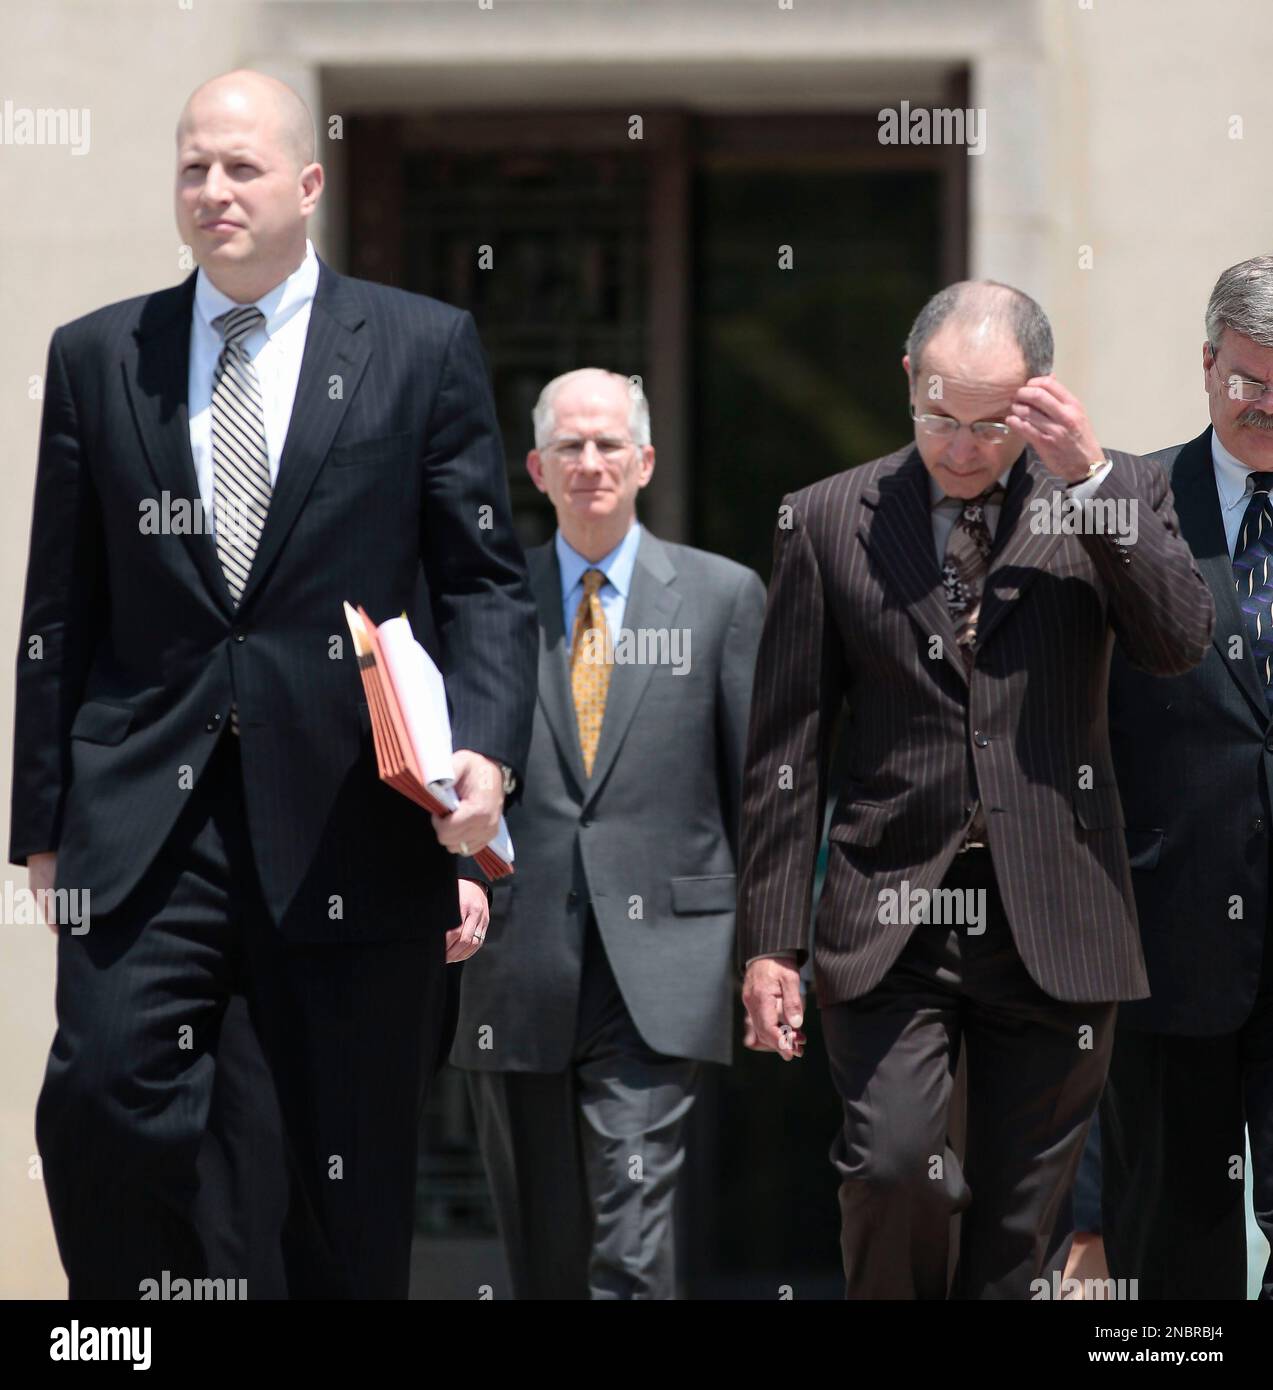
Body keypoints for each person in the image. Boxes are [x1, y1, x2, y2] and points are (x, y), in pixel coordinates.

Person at [10, 69, 536, 1299]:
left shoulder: (420, 347)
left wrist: (490, 760)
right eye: (194, 166)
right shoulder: (98, 356)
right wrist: (41, 826)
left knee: (339, 1171)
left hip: (355, 816)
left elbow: (484, 584)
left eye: (241, 167)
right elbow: (57, 608)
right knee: (103, 1100)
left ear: (308, 185)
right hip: (147, 815)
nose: (213, 190)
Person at [737, 280, 1215, 1299]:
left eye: (988, 424)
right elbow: (787, 746)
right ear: (909, 381)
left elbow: (1176, 642)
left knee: (1014, 1238)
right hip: (889, 916)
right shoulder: (826, 519)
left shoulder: (1108, 489)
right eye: (938, 418)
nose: (959, 447)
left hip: (1057, 914)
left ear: (1037, 399)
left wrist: (1085, 479)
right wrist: (769, 939)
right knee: (892, 1168)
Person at [451, 368, 766, 1298]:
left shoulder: (721, 598)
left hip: (662, 962)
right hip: (516, 959)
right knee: (543, 1253)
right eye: (569, 448)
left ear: (645, 462)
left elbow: (759, 793)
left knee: (630, 1246)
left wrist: (768, 950)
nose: (590, 463)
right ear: (537, 471)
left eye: (608, 445)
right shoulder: (486, 605)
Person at [1103, 255, 1273, 1301]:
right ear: (1206, 363)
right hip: (1169, 937)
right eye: (1247, 380)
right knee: (1172, 1241)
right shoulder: (1128, 511)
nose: (1263, 406)